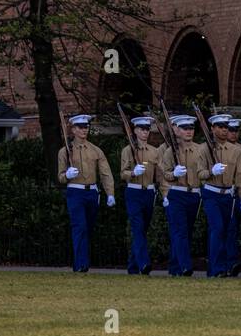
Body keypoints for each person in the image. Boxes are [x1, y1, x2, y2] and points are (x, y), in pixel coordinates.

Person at [58, 114, 115, 273]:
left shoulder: (96, 150)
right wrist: (67, 175)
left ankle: (80, 261)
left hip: (92, 193)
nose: (84, 130)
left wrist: (110, 192)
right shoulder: (65, 151)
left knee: (88, 228)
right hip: (75, 192)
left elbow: (105, 173)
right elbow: (60, 176)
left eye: (86, 127)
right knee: (80, 227)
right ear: (74, 129)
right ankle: (81, 264)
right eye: (81, 127)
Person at [159, 114, 210, 276]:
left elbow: (204, 171)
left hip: (194, 195)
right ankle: (186, 266)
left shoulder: (201, 150)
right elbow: (165, 175)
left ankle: (175, 267)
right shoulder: (170, 152)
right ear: (177, 130)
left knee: (185, 232)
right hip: (177, 194)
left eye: (191, 128)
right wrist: (173, 174)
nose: (189, 131)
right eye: (185, 128)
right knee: (180, 231)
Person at [203, 114, 241, 278]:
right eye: (220, 127)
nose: (224, 130)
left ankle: (220, 267)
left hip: (228, 195)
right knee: (217, 228)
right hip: (211, 193)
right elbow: (199, 173)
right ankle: (217, 268)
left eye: (225, 127)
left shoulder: (235, 151)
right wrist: (210, 172)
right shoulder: (204, 149)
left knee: (225, 230)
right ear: (212, 128)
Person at [120, 114, 161, 275]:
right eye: (142, 129)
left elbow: (158, 174)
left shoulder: (154, 152)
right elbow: (122, 173)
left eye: (147, 129)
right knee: (137, 228)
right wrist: (132, 172)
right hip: (134, 192)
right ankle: (144, 264)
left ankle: (133, 265)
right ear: (135, 131)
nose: (145, 132)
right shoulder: (128, 150)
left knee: (142, 230)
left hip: (149, 193)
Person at [219, 117, 241, 275]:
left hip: (236, 193)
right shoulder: (216, 149)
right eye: (230, 130)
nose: (232, 134)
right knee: (222, 229)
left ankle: (230, 261)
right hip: (221, 192)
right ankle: (225, 262)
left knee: (233, 229)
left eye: (235, 130)